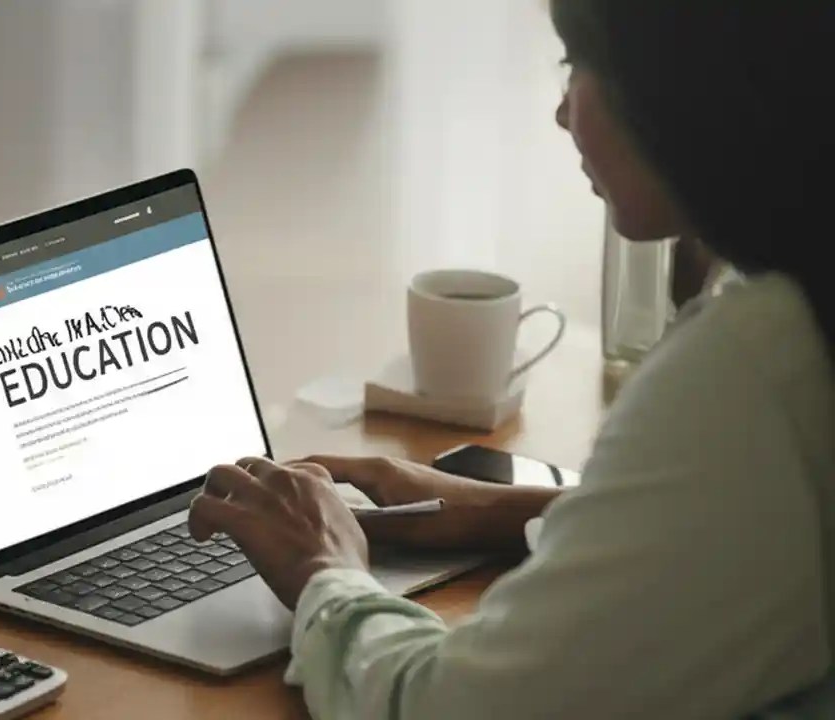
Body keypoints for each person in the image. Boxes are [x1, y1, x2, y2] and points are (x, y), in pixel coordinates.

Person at [188, 2, 835, 718]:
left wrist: (325, 567)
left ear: (675, 88)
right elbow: (733, 531)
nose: (562, 114)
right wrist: (502, 511)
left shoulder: (744, 372)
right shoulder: (793, 321)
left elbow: (444, 707)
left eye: (575, 69)